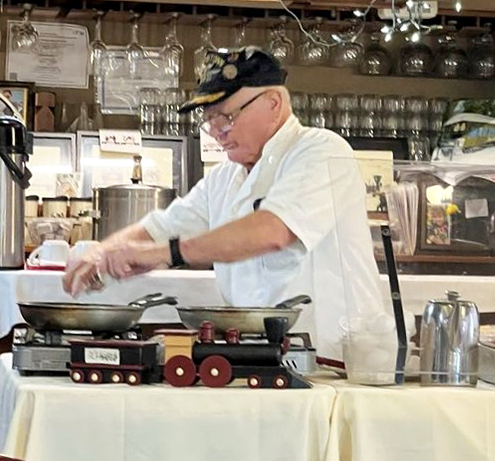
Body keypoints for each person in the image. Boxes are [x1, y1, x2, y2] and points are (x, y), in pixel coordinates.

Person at [62, 47, 386, 360]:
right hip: (262, 352)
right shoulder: (225, 177)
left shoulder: (320, 150)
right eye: (210, 121)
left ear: (273, 103)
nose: (216, 132)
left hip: (335, 360)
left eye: (226, 117)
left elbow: (272, 232)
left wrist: (167, 253)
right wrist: (100, 254)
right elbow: (162, 227)